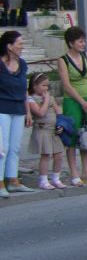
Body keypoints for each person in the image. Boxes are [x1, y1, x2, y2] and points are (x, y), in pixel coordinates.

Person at [57, 25, 87, 186]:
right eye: (80, 41)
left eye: (84, 41)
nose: (83, 44)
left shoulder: (85, 56)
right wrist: (82, 102)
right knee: (73, 137)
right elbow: (66, 85)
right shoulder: (63, 60)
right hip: (73, 102)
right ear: (71, 42)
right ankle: (74, 173)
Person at [0, 30, 32, 197]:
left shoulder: (22, 64)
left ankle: (13, 181)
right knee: (2, 148)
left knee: (15, 147)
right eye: (19, 44)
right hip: (2, 109)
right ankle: (0, 183)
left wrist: (28, 112)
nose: (22, 47)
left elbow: (24, 89)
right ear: (9, 46)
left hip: (18, 109)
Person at [27, 73, 66, 190]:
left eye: (47, 86)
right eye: (43, 85)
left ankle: (56, 178)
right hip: (42, 130)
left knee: (58, 155)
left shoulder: (50, 97)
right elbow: (40, 113)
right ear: (34, 86)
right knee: (46, 155)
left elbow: (58, 110)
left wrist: (61, 123)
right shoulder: (31, 99)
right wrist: (46, 100)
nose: (46, 88)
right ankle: (43, 180)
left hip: (54, 130)